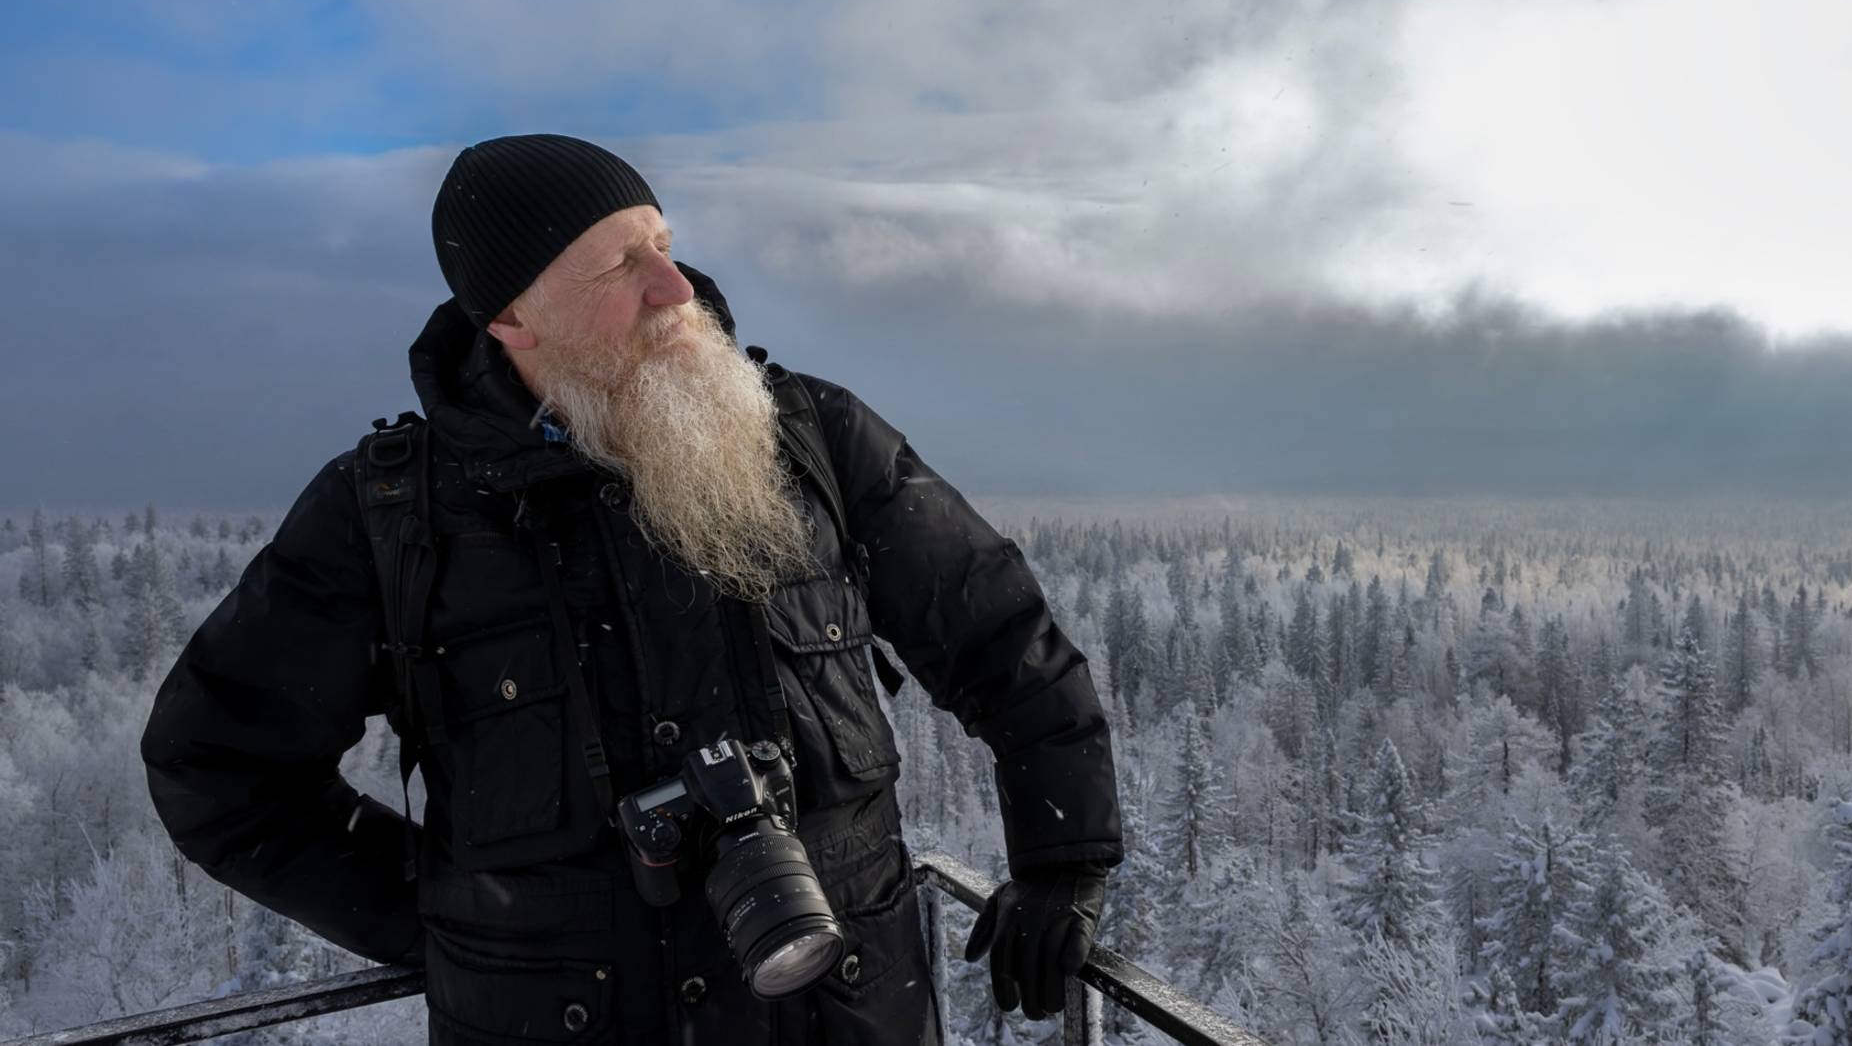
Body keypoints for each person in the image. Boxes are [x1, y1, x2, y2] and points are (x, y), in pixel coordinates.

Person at [140, 133, 1122, 1045]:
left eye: (663, 244)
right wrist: (460, 918)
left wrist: (1061, 860)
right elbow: (217, 768)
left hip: (842, 1015)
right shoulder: (388, 512)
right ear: (513, 318)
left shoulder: (811, 436)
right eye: (617, 265)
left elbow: (999, 634)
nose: (673, 285)